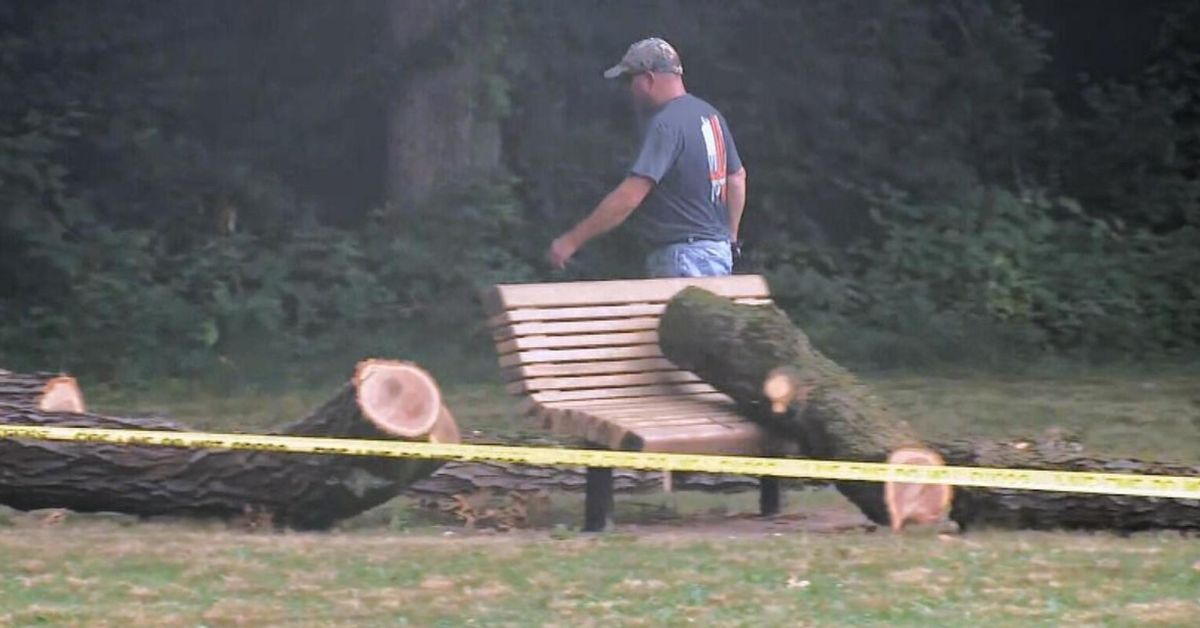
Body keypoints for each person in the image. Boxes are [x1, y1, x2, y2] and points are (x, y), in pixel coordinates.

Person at [546, 37, 747, 278]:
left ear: (649, 79)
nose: (630, 89)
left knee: (681, 317)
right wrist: (730, 239)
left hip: (683, 259)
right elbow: (736, 178)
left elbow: (629, 197)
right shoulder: (712, 116)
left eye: (631, 79)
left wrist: (571, 241)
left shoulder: (666, 124)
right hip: (717, 254)